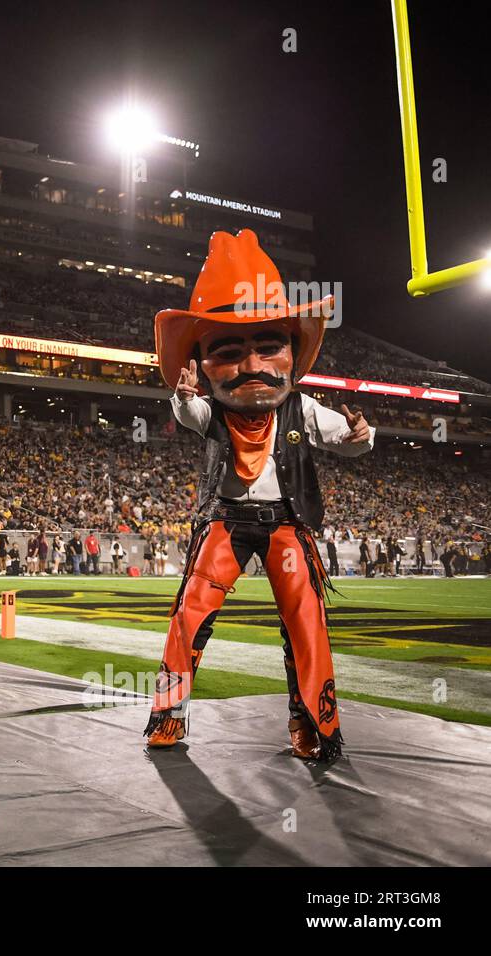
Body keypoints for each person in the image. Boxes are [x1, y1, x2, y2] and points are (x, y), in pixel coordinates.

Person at [144, 229, 372, 762]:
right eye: (229, 351)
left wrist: (362, 437)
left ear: (291, 352)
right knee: (190, 618)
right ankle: (167, 718)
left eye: (268, 347)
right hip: (224, 519)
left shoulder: (304, 408)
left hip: (287, 523)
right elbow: (192, 414)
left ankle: (314, 725)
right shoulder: (211, 409)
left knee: (306, 623)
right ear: (203, 364)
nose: (251, 366)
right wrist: (181, 397)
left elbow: (348, 439)